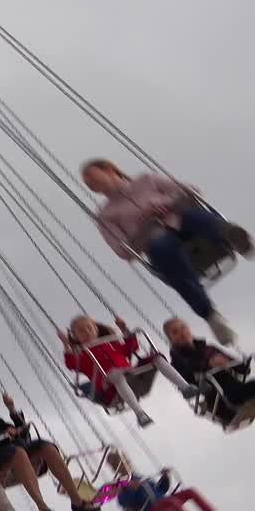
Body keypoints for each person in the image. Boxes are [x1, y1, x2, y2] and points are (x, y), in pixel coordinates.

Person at [81, 159, 249, 345]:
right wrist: (146, 224)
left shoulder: (146, 180)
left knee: (191, 216)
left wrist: (166, 205)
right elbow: (122, 250)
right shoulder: (106, 215)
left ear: (109, 169)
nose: (87, 180)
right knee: (162, 248)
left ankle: (235, 238)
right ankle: (211, 315)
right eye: (85, 180)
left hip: (185, 222)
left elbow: (191, 190)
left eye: (89, 174)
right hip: (157, 241)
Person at [0, 393, 100, 511]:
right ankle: (42, 506)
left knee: (47, 447)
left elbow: (22, 429)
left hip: (14, 448)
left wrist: (11, 410)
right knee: (17, 452)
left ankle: (77, 501)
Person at [60, 316, 198, 427]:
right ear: (75, 336)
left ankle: (185, 387)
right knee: (116, 374)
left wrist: (124, 329)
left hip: (135, 378)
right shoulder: (81, 354)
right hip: (111, 391)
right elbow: (71, 364)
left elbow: (131, 347)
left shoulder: (110, 343)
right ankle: (140, 414)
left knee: (157, 357)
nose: (86, 332)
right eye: (81, 331)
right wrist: (66, 344)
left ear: (95, 329)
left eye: (89, 328)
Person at [163, 317, 255, 425]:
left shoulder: (209, 348)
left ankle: (246, 403)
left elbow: (244, 370)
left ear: (188, 328)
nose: (182, 333)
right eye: (175, 332)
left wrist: (228, 362)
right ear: (171, 339)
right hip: (221, 403)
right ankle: (239, 408)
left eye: (183, 327)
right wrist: (208, 365)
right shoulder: (177, 363)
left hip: (239, 390)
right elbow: (188, 386)